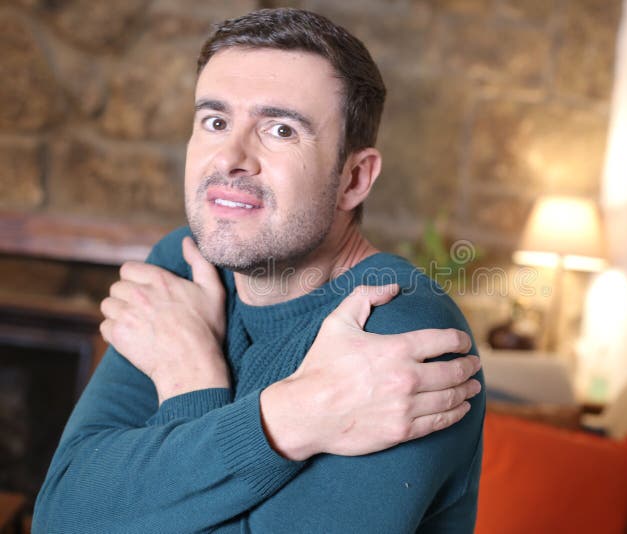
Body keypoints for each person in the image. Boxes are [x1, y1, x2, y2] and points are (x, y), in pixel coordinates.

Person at [32, 7, 484, 533]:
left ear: (354, 178)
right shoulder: (185, 266)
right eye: (216, 121)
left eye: (281, 129)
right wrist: (291, 416)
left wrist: (188, 388)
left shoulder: (397, 329)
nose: (231, 158)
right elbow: (61, 513)